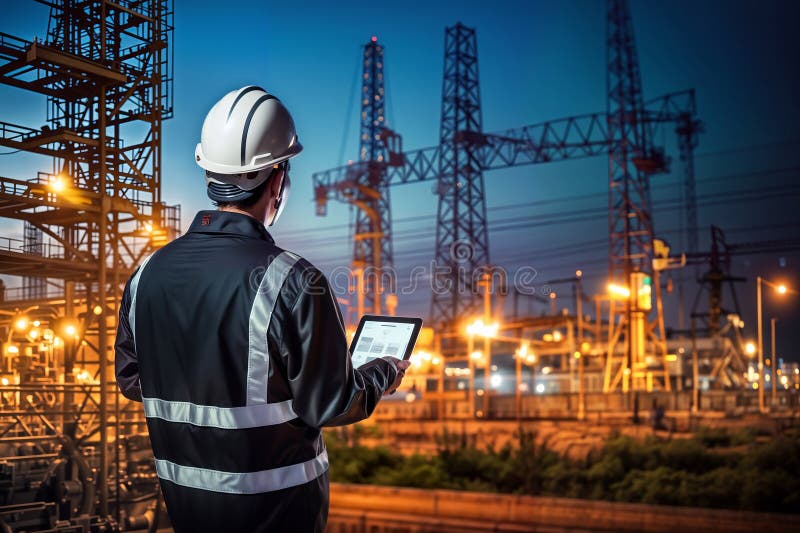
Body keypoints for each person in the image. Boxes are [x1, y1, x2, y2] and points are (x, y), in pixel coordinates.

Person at [114, 86, 409, 532]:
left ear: (210, 173)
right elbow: (332, 403)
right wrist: (383, 370)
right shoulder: (293, 280)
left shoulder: (145, 275)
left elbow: (134, 381)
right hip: (278, 513)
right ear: (277, 181)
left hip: (186, 508)